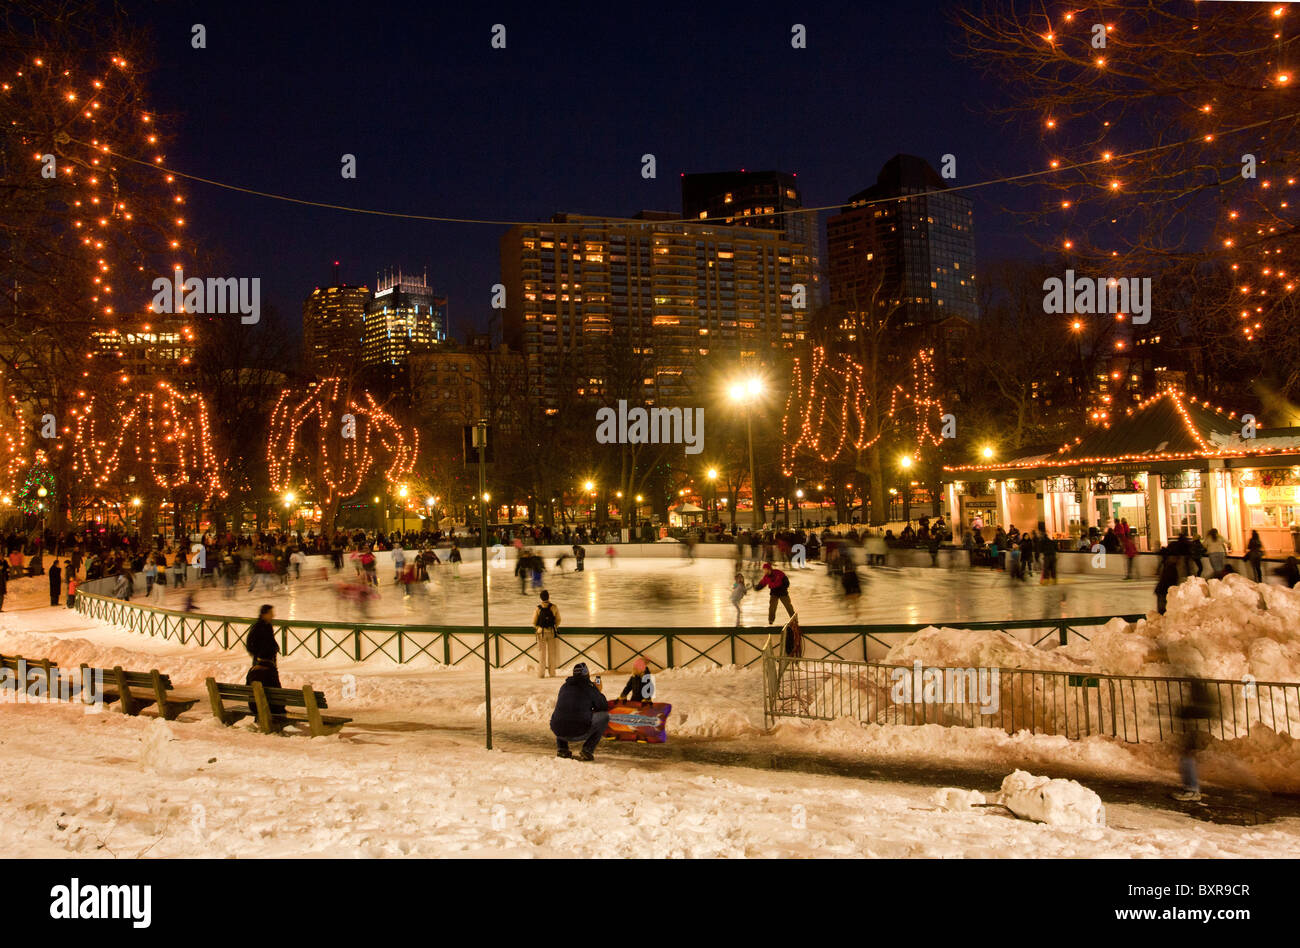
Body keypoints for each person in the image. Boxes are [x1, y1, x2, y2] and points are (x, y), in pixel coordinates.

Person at [549, 663, 610, 761]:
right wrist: (597, 691)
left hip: (559, 732)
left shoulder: (564, 686)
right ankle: (587, 750)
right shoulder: (589, 688)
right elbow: (602, 706)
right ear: (587, 674)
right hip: (579, 732)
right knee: (604, 717)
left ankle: (562, 749)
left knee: (562, 714)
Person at [244, 604, 284, 715]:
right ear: (264, 614)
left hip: (266, 662)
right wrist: (259, 656)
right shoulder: (259, 627)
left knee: (264, 688)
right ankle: (269, 711)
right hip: (264, 663)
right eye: (271, 613)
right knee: (268, 686)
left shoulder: (267, 626)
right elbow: (250, 644)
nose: (273, 615)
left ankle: (264, 710)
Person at [756, 562, 795, 626]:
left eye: (765, 569)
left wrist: (783, 588)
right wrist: (757, 588)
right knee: (772, 607)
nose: (764, 571)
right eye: (764, 570)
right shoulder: (766, 577)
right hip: (774, 592)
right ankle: (771, 620)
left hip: (782, 591)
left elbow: (786, 581)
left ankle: (794, 620)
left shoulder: (778, 573)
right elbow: (762, 584)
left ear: (769, 569)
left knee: (788, 606)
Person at [532, 589, 560, 679]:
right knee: (552, 654)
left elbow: (533, 622)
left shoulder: (538, 608)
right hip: (551, 632)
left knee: (541, 654)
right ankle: (552, 673)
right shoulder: (554, 607)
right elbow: (558, 620)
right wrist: (554, 626)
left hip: (541, 633)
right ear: (549, 596)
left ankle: (541, 674)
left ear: (541, 598)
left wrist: (538, 628)